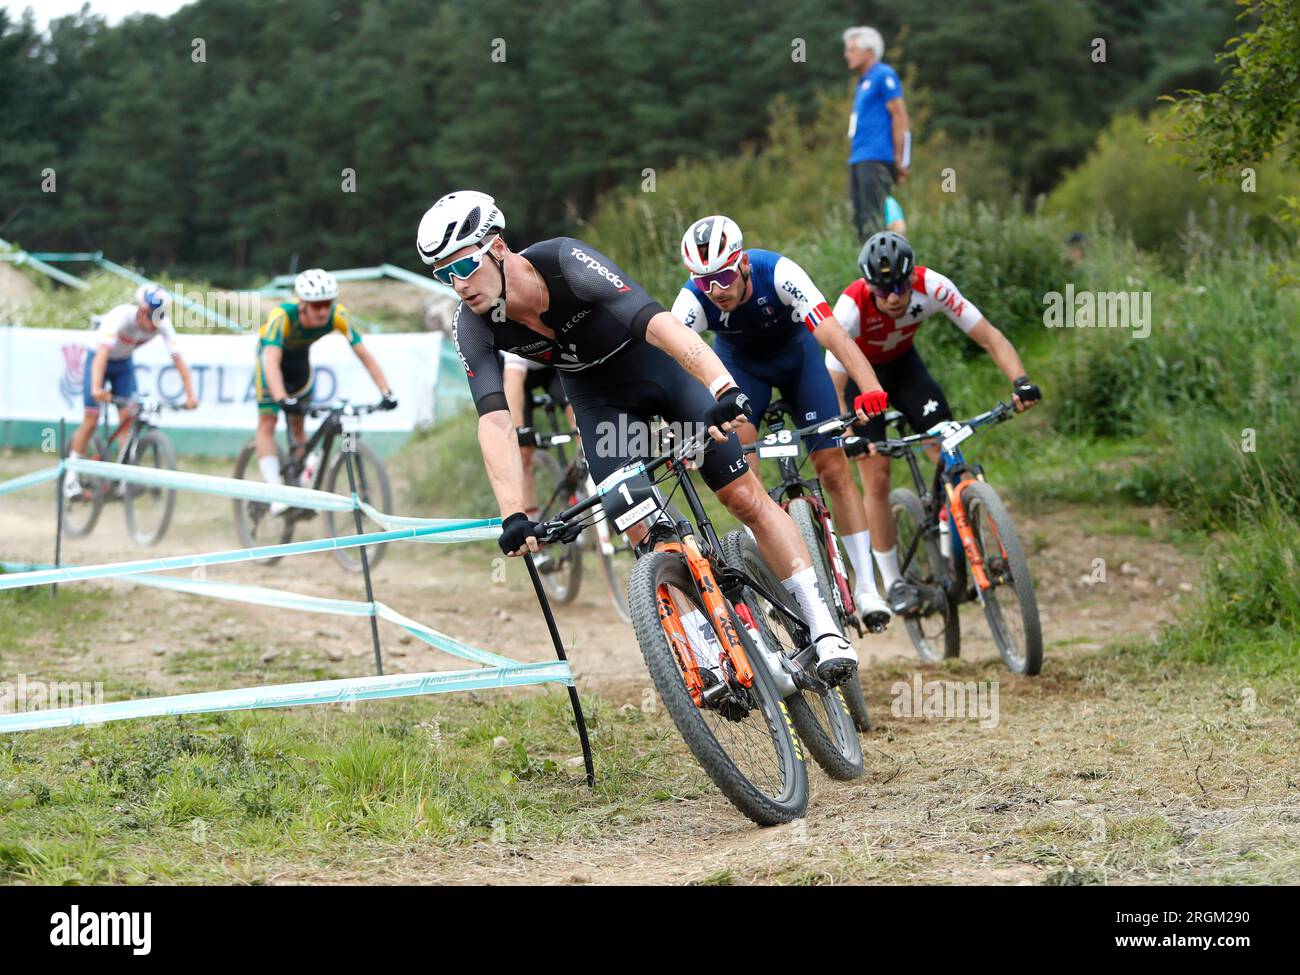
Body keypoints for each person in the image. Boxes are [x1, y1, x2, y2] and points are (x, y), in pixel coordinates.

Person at [418, 190, 860, 684]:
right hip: (597, 402)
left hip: (655, 370)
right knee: (636, 520)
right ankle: (706, 647)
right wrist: (513, 513)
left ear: (497, 248)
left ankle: (823, 627)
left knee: (742, 496)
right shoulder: (471, 323)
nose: (457, 286)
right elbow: (495, 421)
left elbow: (660, 324)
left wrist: (723, 386)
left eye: (462, 267)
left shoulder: (564, 261)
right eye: (442, 275)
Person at [670, 214, 892, 627]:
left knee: (833, 469)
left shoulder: (780, 271)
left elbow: (832, 333)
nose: (715, 290)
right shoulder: (692, 300)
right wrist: (680, 428)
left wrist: (869, 385)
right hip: (742, 376)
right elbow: (674, 363)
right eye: (703, 281)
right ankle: (777, 577)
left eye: (722, 276)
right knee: (745, 477)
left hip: (800, 364)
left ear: (743, 264)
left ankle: (866, 587)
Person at [825, 231, 1042, 615]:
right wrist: (848, 434)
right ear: (868, 285)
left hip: (907, 369)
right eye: (883, 289)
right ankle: (891, 582)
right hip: (861, 380)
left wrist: (1020, 382)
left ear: (911, 279)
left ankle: (960, 520)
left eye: (900, 287)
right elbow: (833, 384)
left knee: (946, 444)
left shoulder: (934, 287)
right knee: (875, 476)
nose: (893, 297)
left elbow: (989, 337)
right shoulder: (851, 308)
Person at [252, 268, 395, 512]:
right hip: (272, 363)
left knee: (298, 426)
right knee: (268, 421)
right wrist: (280, 398)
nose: (323, 310)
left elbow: (365, 356)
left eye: (327, 304)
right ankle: (275, 491)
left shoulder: (338, 315)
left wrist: (386, 392)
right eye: (316, 305)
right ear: (303, 304)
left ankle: (298, 491)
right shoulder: (282, 317)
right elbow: (272, 361)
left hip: (300, 365)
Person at [64, 284, 197, 499]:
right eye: (152, 320)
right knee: (91, 418)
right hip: (98, 360)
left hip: (123, 364)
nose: (155, 327)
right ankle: (70, 479)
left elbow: (179, 360)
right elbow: (101, 356)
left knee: (128, 417)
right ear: (142, 311)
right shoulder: (120, 316)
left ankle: (123, 479)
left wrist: (191, 395)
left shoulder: (161, 323)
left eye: (159, 320)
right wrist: (97, 388)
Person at [844, 25, 910, 240]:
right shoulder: (862, 82)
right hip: (859, 157)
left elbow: (900, 117)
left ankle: (883, 269)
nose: (847, 54)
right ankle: (863, 269)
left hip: (876, 157)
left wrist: (903, 160)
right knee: (860, 221)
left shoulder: (883, 75)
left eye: (852, 49)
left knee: (875, 221)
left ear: (869, 52)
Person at [502, 350, 573, 520]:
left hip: (552, 364)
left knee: (580, 420)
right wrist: (519, 431)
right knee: (522, 449)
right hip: (517, 369)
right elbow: (513, 380)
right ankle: (532, 521)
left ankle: (581, 481)